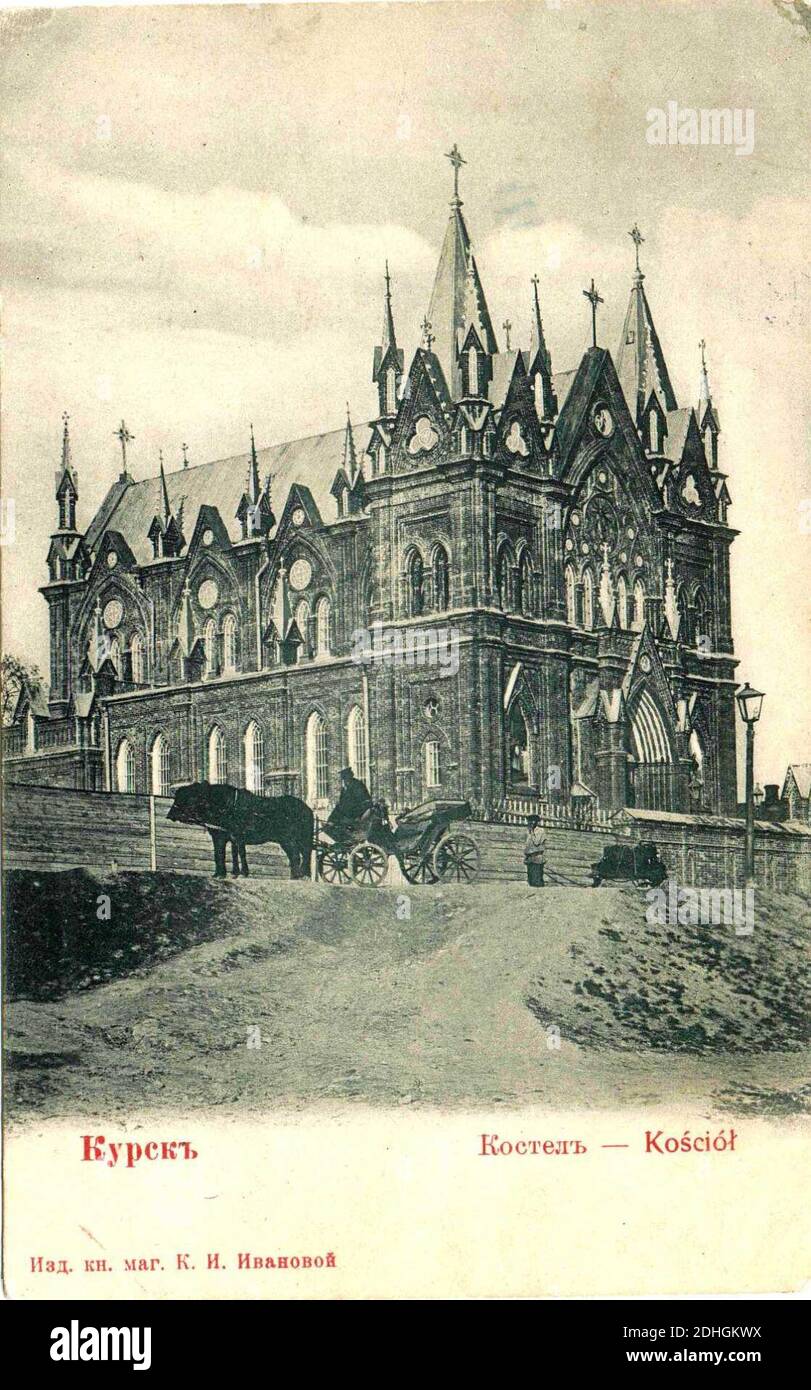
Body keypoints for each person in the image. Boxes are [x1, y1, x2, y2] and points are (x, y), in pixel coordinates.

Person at [325, 766, 372, 837]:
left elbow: (364, 802)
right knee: (332, 824)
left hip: (357, 813)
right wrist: (331, 819)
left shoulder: (357, 785)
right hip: (348, 812)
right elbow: (341, 804)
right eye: (344, 779)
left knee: (340, 822)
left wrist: (355, 815)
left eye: (346, 778)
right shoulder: (345, 788)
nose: (345, 781)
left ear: (350, 777)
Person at [524, 814, 546, 887]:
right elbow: (527, 844)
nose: (532, 822)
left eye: (534, 821)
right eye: (530, 821)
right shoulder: (529, 831)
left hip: (537, 856)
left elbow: (536, 842)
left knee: (537, 877)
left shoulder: (540, 831)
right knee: (530, 877)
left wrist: (532, 832)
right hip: (530, 857)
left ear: (537, 822)